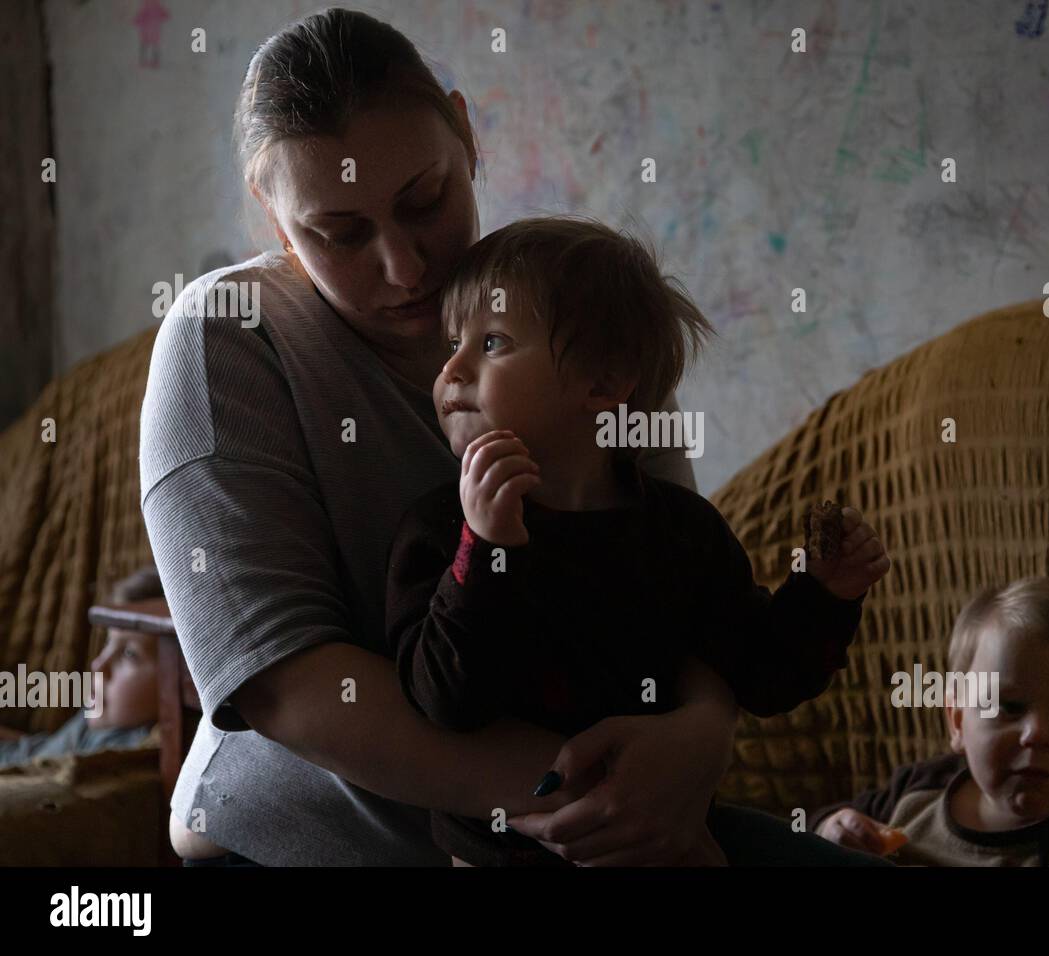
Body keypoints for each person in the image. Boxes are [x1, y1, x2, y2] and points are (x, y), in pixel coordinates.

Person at [142, 7, 805, 866]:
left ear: (465, 130)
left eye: (425, 201)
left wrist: (700, 738)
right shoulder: (226, 339)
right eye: (338, 233)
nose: (405, 267)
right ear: (273, 215)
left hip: (621, 829)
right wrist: (593, 793)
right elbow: (285, 686)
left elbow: (680, 574)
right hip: (311, 846)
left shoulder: (577, 315)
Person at [385, 217, 894, 866]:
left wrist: (825, 594)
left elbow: (761, 677)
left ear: (603, 385)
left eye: (492, 342)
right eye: (454, 343)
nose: (452, 369)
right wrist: (487, 549)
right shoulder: (439, 530)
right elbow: (442, 703)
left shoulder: (681, 532)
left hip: (666, 840)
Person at [810, 577, 1049, 866]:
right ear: (958, 721)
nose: (1036, 734)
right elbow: (820, 827)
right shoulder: (922, 786)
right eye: (1008, 706)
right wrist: (832, 828)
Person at [0, 567, 163, 768]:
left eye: (129, 654)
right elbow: (39, 752)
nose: (98, 665)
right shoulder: (101, 711)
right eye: (108, 643)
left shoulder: (127, 754)